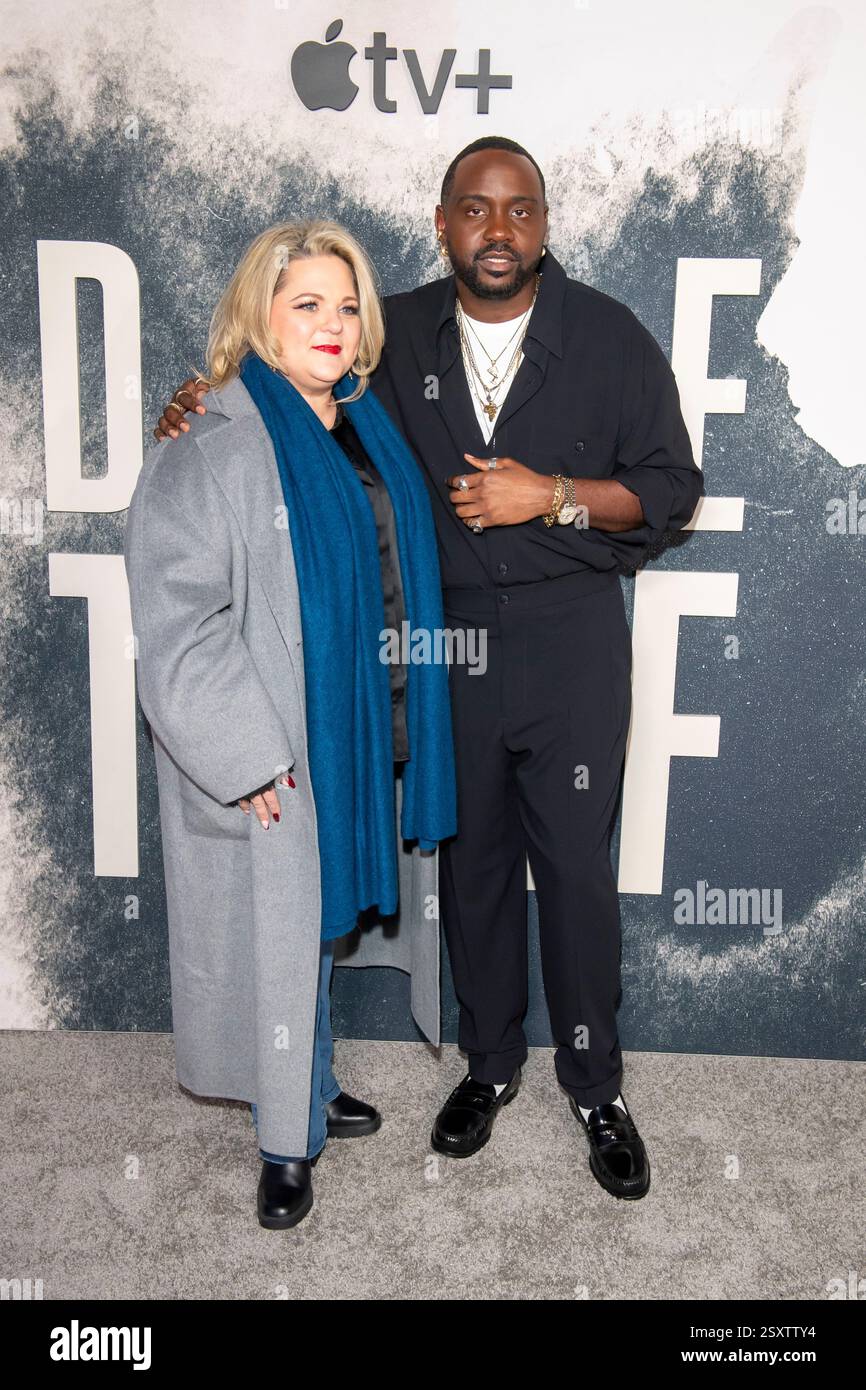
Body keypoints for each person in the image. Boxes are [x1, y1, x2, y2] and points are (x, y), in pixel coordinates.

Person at [153, 137, 704, 1202]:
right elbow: (283, 384)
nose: (497, 229)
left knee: (577, 873)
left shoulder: (609, 336)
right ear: (441, 220)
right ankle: (489, 1065)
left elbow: (670, 488)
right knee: (473, 864)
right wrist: (198, 396)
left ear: (543, 224)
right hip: (445, 644)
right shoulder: (383, 328)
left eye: (519, 210)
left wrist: (550, 495)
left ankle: (594, 1084)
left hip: (570, 638)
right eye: (474, 209)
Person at [125, 218, 456, 1230]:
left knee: (308, 937)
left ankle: (305, 1086)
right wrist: (246, 754)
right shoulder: (212, 441)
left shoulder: (369, 425)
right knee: (275, 938)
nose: (332, 322)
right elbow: (178, 627)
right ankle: (283, 1142)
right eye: (305, 303)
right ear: (258, 316)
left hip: (356, 731)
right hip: (275, 749)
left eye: (347, 304)